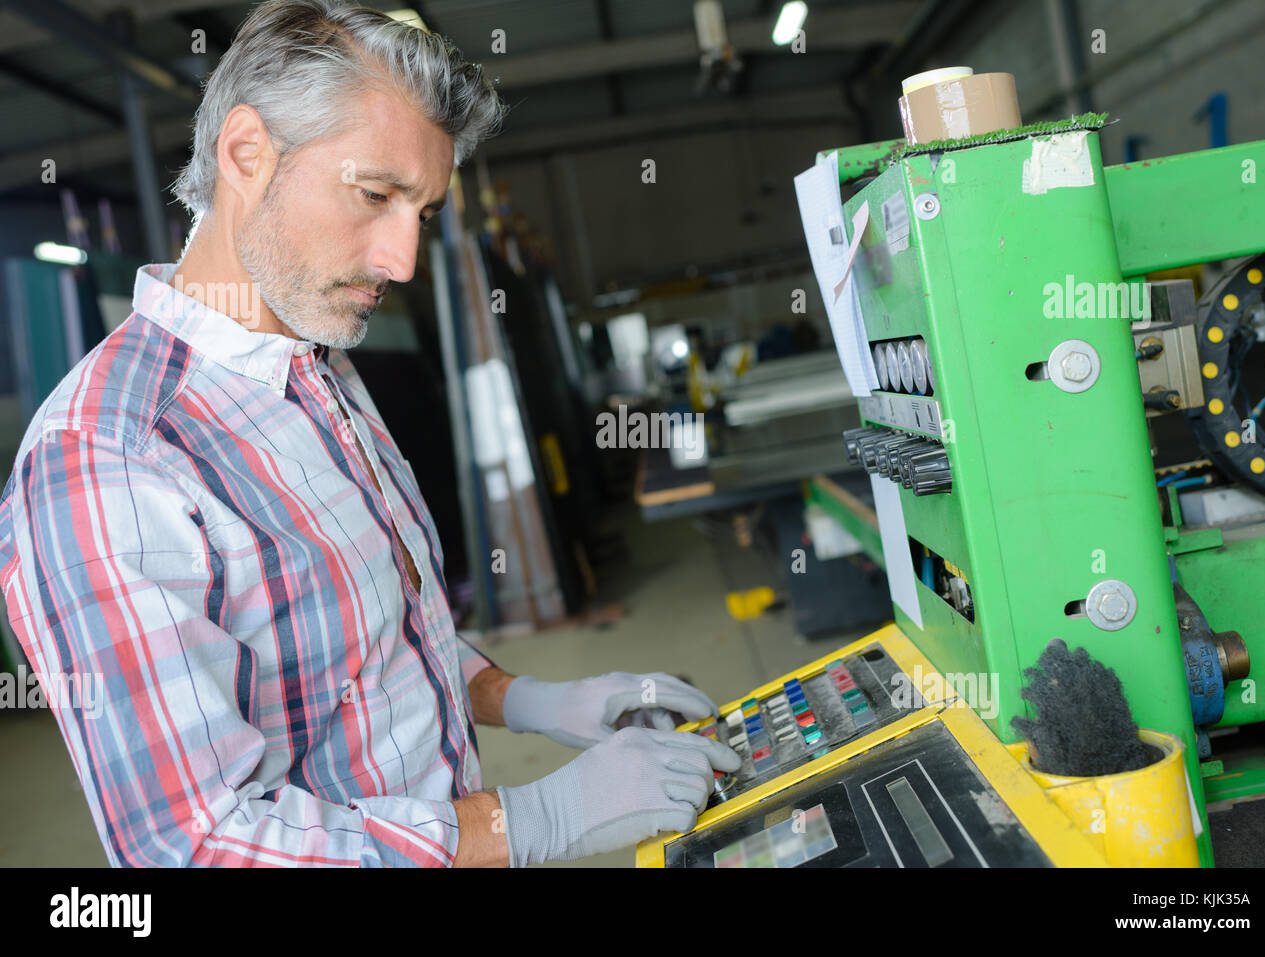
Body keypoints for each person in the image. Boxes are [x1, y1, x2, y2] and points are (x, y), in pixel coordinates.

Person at [0, 0, 738, 867]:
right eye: (375, 194)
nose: (402, 260)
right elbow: (197, 844)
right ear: (246, 153)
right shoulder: (106, 461)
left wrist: (532, 699)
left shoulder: (321, 365)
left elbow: (377, 636)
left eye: (419, 212)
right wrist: (530, 819)